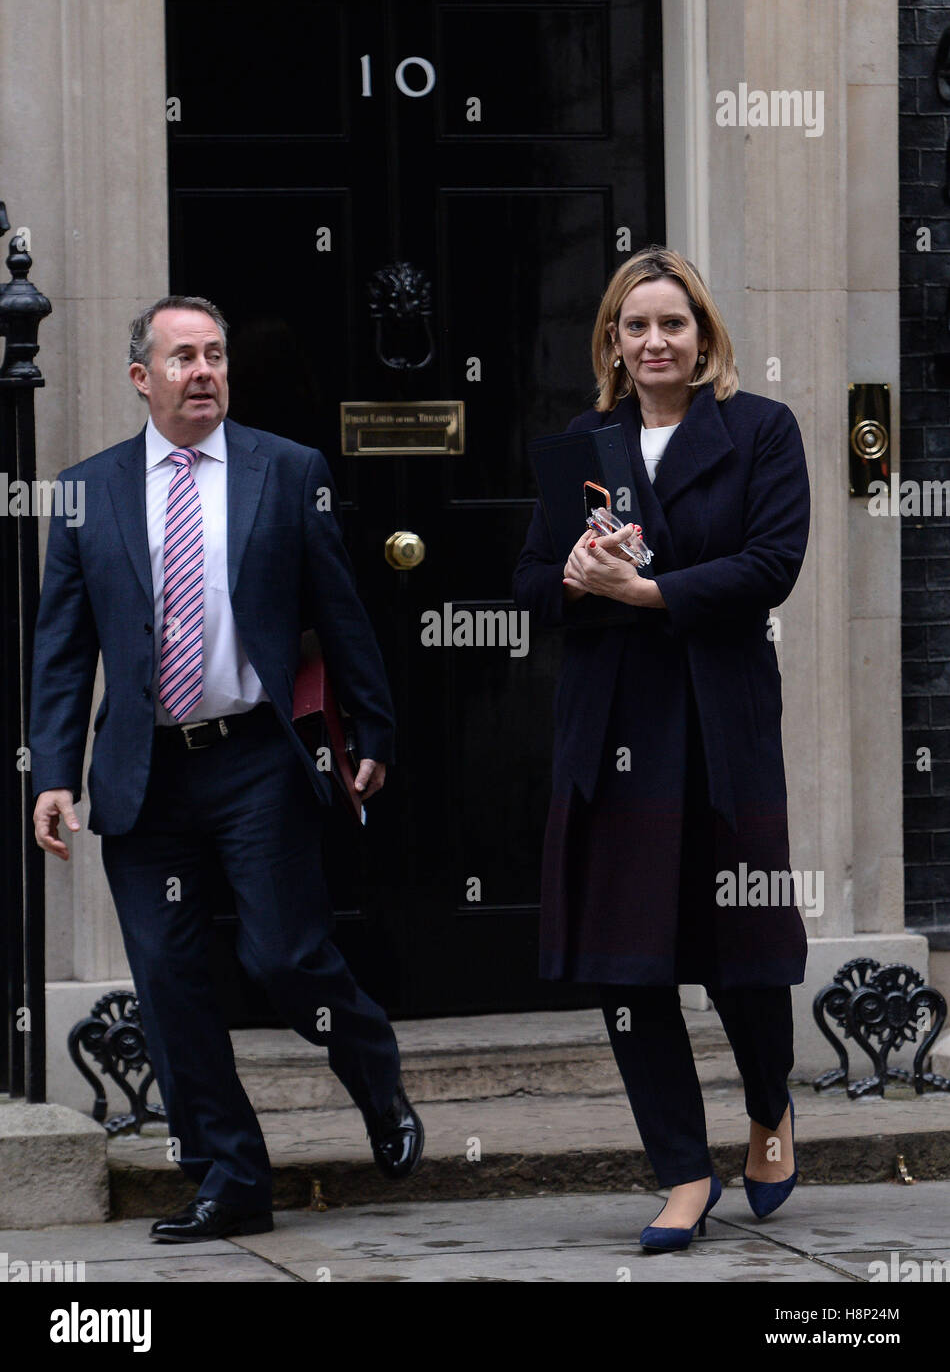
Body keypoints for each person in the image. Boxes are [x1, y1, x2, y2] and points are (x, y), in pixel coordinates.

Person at [30, 295, 423, 1243]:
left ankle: (375, 1078)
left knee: (284, 957)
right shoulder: (89, 493)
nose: (203, 371)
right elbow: (61, 648)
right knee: (168, 981)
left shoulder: (286, 473)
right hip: (144, 773)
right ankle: (230, 1176)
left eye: (214, 356)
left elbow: (340, 610)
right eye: (182, 359)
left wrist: (370, 730)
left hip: (253, 760)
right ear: (142, 379)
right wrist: (50, 771)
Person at [513, 246, 810, 1252]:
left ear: (703, 337)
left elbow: (770, 564)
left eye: (671, 325)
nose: (653, 342)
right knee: (624, 964)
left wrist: (644, 592)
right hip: (611, 734)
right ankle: (682, 1169)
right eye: (634, 326)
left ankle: (768, 1108)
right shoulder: (583, 444)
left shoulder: (759, 432)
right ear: (611, 341)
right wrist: (572, 570)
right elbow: (526, 588)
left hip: (716, 728)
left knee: (744, 956)